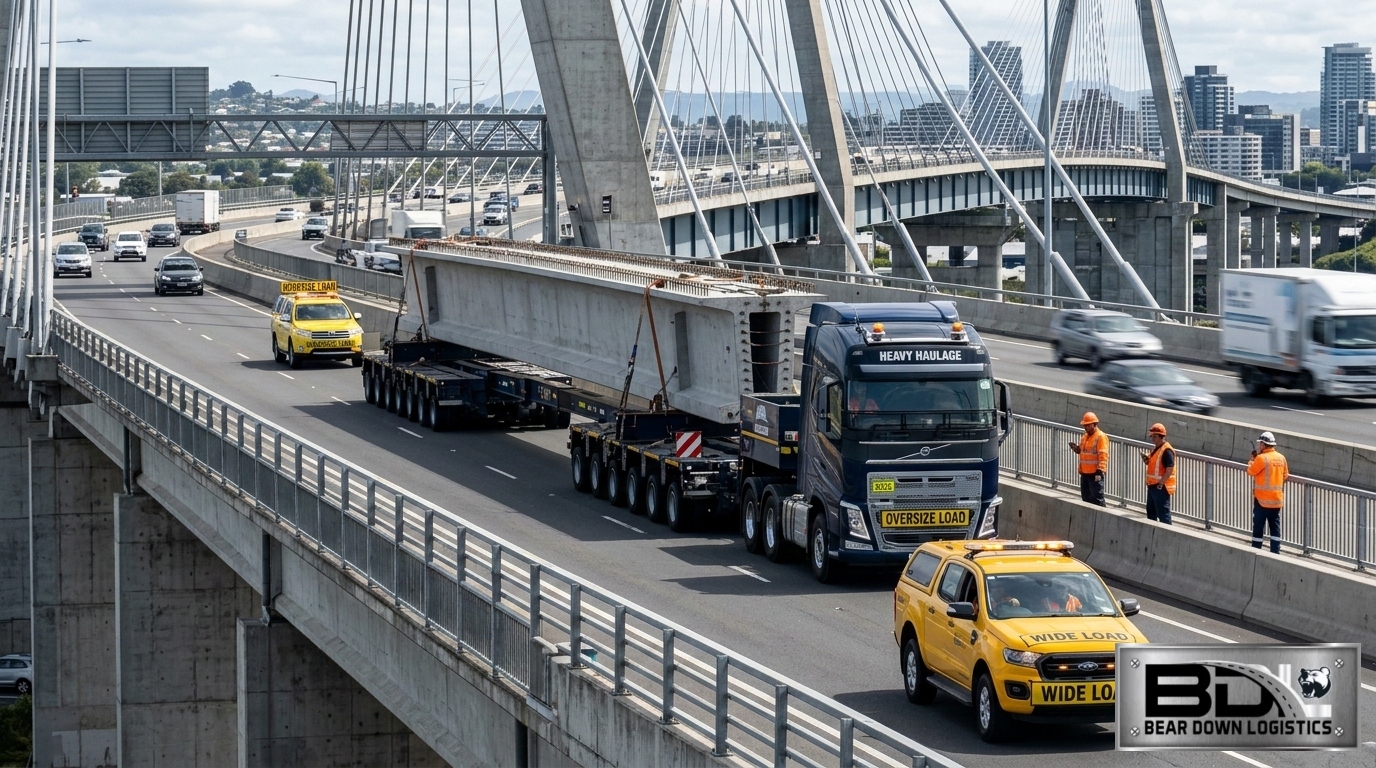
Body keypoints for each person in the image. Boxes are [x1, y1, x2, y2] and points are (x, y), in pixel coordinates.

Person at [1247, 431, 1288, 553]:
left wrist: (1251, 461)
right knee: (1275, 527)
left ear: (1264, 445)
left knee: (1259, 527)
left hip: (1262, 501)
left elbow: (1251, 471)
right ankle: (1275, 551)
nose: (1259, 446)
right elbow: (1285, 475)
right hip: (1276, 501)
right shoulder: (1281, 458)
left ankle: (1256, 550)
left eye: (1260, 444)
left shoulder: (1261, 458)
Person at [1068, 411, 1108, 506]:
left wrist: (1100, 470)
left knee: (1097, 500)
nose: (1085, 427)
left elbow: (1103, 455)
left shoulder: (1100, 437)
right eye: (1084, 425)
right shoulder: (1085, 437)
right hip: (1085, 474)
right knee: (1086, 500)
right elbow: (1083, 450)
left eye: (1088, 425)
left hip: (1095, 474)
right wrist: (1077, 449)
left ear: (1095, 424)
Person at [1140, 423, 1175, 524]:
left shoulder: (1167, 450)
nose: (1152, 438)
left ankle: (1167, 535)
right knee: (1151, 512)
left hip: (1160, 487)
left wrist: (1161, 483)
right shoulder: (1157, 449)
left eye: (1154, 436)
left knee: (1163, 515)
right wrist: (1147, 460)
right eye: (1151, 436)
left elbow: (1169, 469)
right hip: (1152, 486)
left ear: (1161, 437)